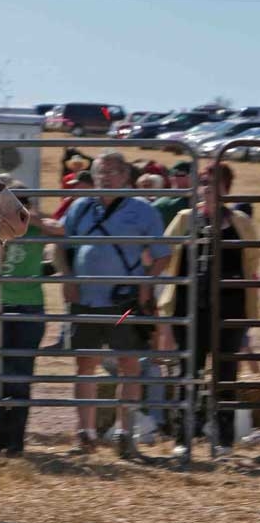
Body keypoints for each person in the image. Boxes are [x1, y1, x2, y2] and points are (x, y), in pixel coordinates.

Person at [58, 151, 171, 457]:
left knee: (129, 364)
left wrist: (146, 285)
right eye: (98, 173)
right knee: (85, 365)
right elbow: (62, 245)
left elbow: (162, 253)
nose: (103, 178)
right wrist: (67, 279)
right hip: (86, 300)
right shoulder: (81, 207)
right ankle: (85, 435)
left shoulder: (142, 210)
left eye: (109, 172)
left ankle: (125, 435)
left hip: (123, 304)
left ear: (125, 176)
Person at [157, 163, 259, 457]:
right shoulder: (184, 218)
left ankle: (224, 442)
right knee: (189, 373)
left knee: (225, 375)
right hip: (190, 308)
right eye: (203, 182)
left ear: (227, 187)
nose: (207, 187)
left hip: (231, 311)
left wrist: (249, 318)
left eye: (214, 182)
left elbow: (252, 266)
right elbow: (165, 254)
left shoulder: (241, 222)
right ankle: (183, 438)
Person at [0, 189, 52, 455]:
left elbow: (60, 229)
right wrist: (2, 235)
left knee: (20, 377)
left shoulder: (36, 230)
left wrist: (30, 220)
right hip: (1, 307)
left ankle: (15, 442)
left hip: (31, 308)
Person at [152, 160, 193, 227]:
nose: (174, 178)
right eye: (173, 175)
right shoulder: (162, 204)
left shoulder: (203, 199)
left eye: (180, 175)